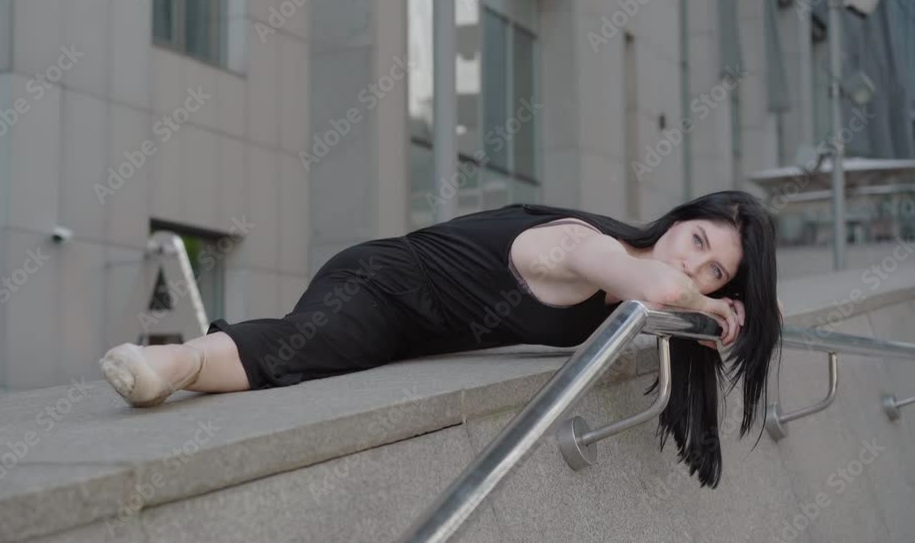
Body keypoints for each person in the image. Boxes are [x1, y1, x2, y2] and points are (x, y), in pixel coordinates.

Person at [100, 190, 784, 487]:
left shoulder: (634, 279)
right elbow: (661, 290)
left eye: (715, 268)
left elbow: (656, 295)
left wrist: (704, 311)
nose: (695, 264)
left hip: (417, 335)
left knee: (309, 349)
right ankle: (171, 362)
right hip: (389, 284)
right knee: (296, 349)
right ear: (676, 221)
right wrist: (708, 303)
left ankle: (179, 360)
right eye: (697, 241)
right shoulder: (591, 247)